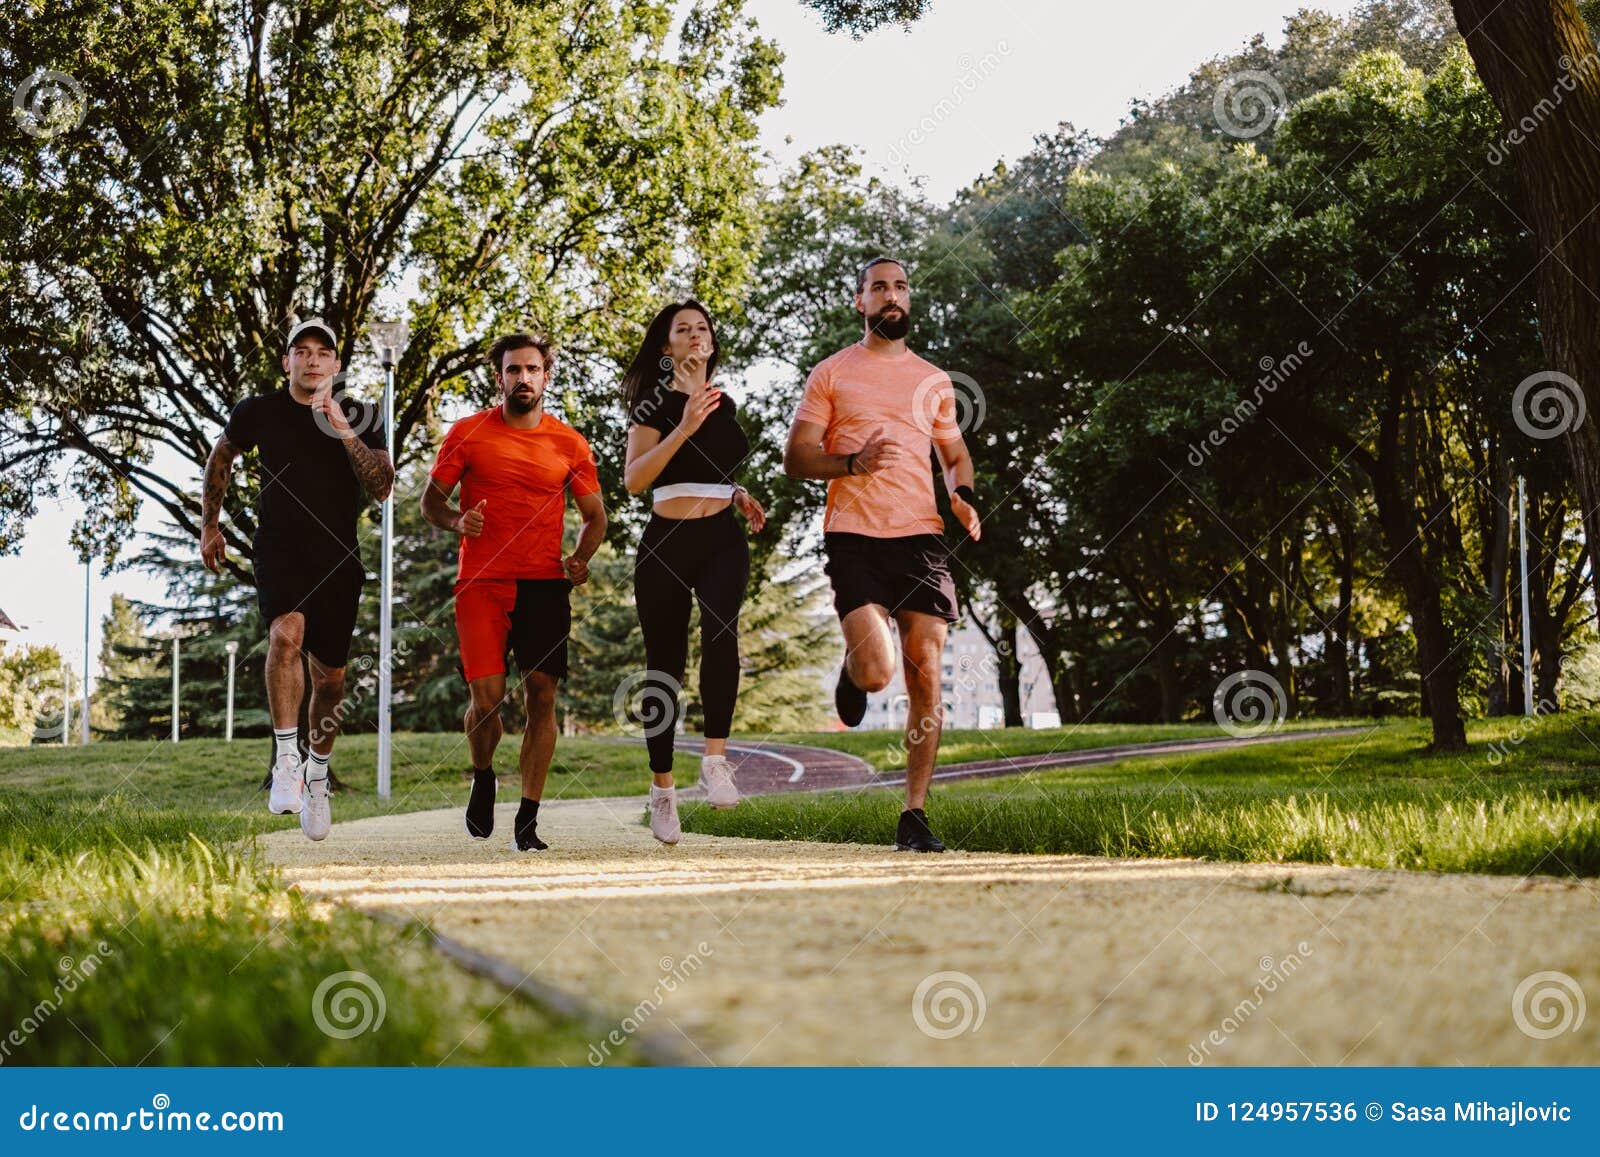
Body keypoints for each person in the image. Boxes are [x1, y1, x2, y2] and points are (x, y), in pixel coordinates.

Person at [783, 257, 981, 853]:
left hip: (920, 536)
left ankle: (914, 813)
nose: (889, 296)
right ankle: (852, 670)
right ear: (859, 302)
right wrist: (850, 464)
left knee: (924, 667)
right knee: (878, 671)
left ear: (908, 300)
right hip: (854, 535)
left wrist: (963, 498)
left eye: (899, 287)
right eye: (878, 288)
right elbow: (796, 460)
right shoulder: (832, 374)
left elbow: (955, 457)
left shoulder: (933, 381)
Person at [200, 317, 394, 841]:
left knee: (331, 681)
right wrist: (210, 525)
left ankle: (317, 777)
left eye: (322, 353)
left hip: (338, 559)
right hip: (280, 550)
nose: (312, 360)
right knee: (285, 636)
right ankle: (287, 758)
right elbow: (222, 456)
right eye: (301, 351)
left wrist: (342, 427)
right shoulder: (256, 411)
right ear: (286, 361)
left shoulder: (361, 414)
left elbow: (381, 485)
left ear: (335, 364)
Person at [421, 333, 606, 852]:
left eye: (532, 369)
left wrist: (580, 559)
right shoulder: (467, 432)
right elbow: (430, 504)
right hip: (481, 583)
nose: (522, 378)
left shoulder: (569, 443)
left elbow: (596, 517)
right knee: (486, 701)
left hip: (544, 584)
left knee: (542, 696)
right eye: (512, 370)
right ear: (498, 377)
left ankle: (527, 819)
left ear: (546, 376)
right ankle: (483, 773)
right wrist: (459, 519)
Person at [621, 301, 766, 845]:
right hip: (666, 541)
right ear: (667, 348)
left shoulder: (724, 402)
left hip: (722, 537)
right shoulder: (651, 403)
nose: (694, 334)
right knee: (665, 665)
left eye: (702, 327)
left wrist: (738, 492)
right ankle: (662, 789)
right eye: (683, 329)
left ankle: (715, 761)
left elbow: (713, 467)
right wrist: (682, 426)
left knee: (722, 633)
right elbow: (636, 479)